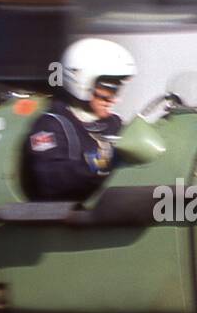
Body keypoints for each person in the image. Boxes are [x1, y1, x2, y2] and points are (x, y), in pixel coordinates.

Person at [26, 38, 135, 201]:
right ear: (82, 83)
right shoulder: (51, 125)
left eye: (118, 90)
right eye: (109, 90)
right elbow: (51, 181)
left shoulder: (113, 123)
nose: (115, 100)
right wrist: (101, 160)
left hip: (113, 207)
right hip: (69, 217)